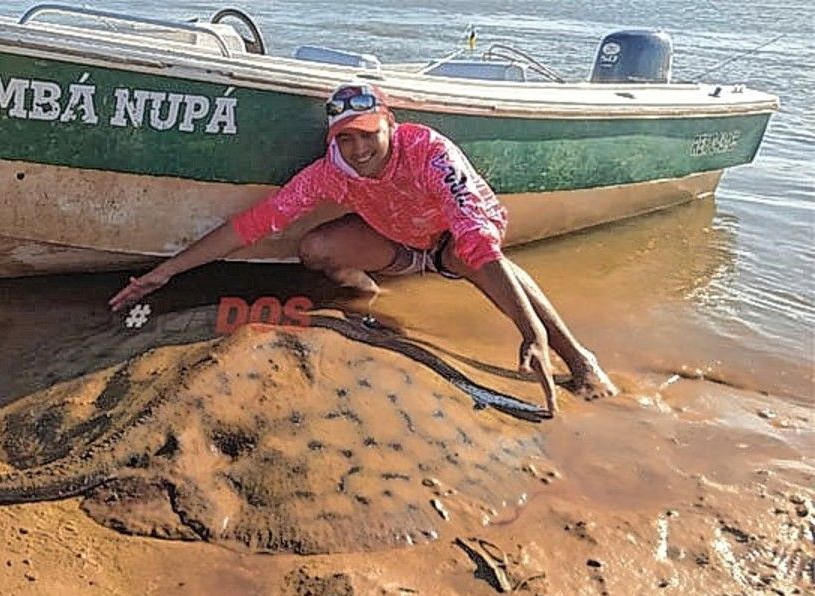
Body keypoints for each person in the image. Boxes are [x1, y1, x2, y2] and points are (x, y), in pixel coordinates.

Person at [109, 82, 618, 414]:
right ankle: (370, 297)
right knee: (316, 247)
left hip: (450, 241)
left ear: (389, 124)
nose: (358, 149)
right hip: (395, 242)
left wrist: (529, 332)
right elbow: (253, 225)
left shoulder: (432, 155)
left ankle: (580, 360)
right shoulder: (333, 169)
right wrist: (167, 272)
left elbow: (481, 244)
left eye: (367, 135)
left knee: (476, 256)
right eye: (346, 139)